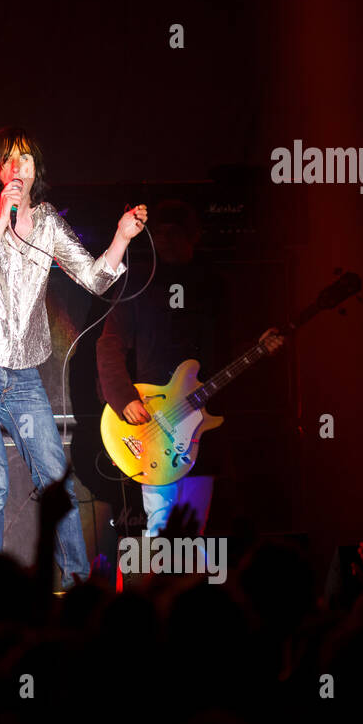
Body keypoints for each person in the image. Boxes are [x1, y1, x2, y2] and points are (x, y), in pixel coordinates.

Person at [0, 126, 147, 590]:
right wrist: (1, 217)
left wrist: (121, 236)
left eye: (27, 160)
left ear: (37, 170)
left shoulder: (49, 222)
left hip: (21, 371)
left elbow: (94, 279)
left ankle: (77, 587)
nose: (19, 168)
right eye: (10, 160)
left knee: (57, 480)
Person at [95, 198, 282, 536]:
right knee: (159, 527)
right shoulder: (138, 282)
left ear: (193, 235)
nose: (166, 239)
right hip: (153, 420)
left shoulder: (215, 285)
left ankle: (183, 586)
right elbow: (109, 345)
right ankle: (157, 586)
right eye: (161, 232)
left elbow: (227, 349)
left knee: (194, 532)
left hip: (201, 426)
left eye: (175, 232)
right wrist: (123, 398)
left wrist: (258, 347)